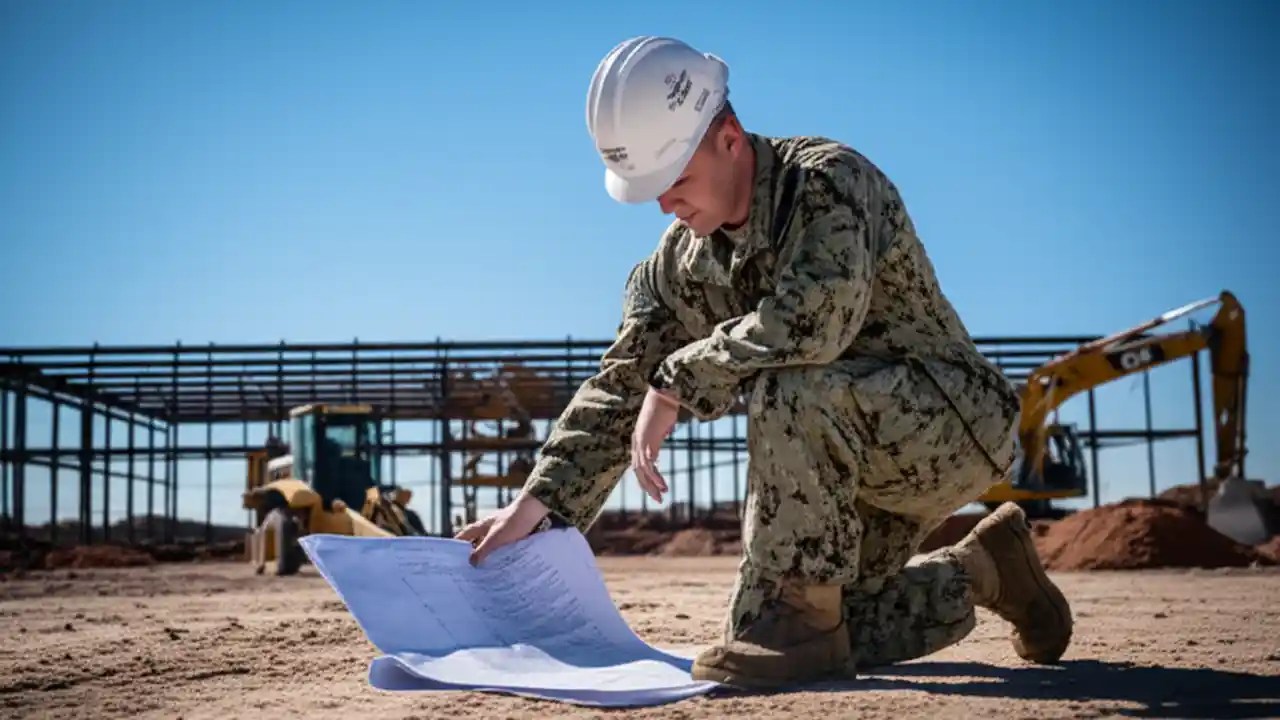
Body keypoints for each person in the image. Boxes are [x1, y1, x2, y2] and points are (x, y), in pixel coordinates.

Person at [456, 35, 1073, 689]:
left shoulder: (828, 182)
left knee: (791, 387)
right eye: (651, 190)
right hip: (840, 467)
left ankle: (805, 621)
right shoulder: (681, 263)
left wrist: (678, 381)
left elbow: (812, 323)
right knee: (771, 634)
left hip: (951, 425)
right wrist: (541, 504)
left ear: (729, 137)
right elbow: (623, 379)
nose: (665, 203)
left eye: (675, 179)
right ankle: (986, 571)